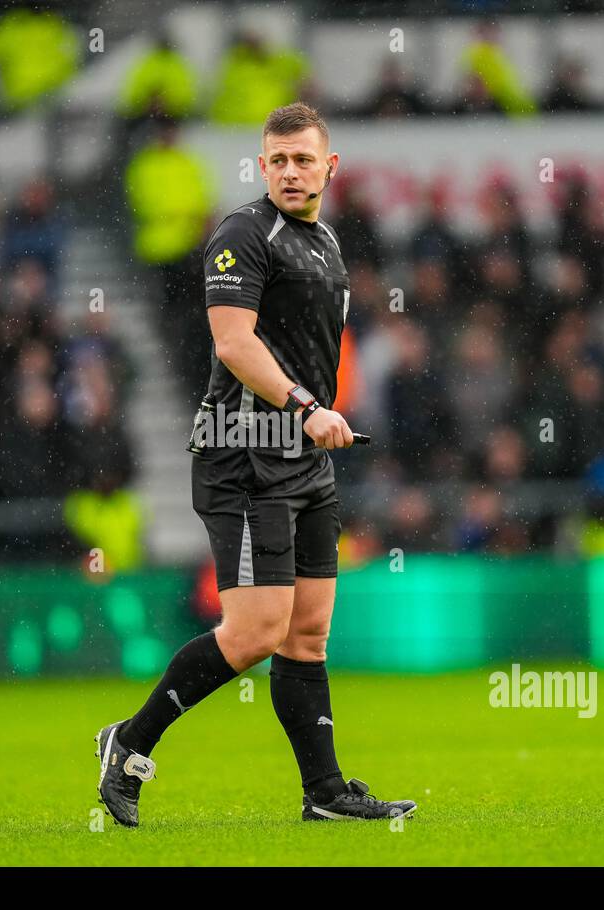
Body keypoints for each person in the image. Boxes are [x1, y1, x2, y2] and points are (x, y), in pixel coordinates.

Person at [93, 102, 416, 826]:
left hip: (304, 460)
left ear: (329, 167)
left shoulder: (328, 242)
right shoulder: (241, 234)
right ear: (262, 166)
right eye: (279, 160)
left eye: (305, 159)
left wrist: (319, 417)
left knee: (307, 634)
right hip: (243, 455)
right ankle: (129, 743)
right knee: (255, 633)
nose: (292, 171)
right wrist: (307, 406)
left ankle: (324, 793)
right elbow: (234, 344)